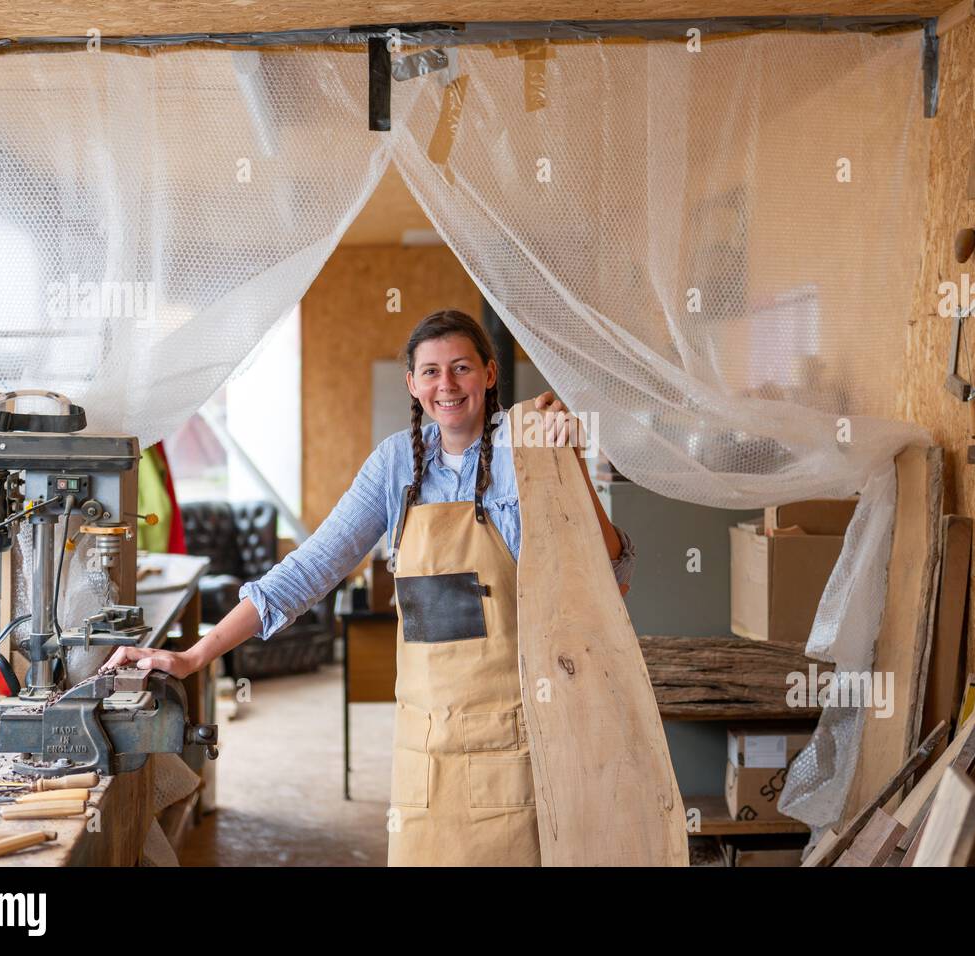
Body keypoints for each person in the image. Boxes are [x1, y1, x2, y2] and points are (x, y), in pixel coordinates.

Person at [108, 309, 635, 866]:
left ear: (488, 373)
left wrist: (572, 461)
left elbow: (611, 576)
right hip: (425, 742)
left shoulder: (531, 451)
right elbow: (306, 572)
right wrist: (195, 656)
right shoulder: (394, 466)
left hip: (519, 731)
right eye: (430, 372)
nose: (446, 385)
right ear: (412, 384)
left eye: (460, 368)